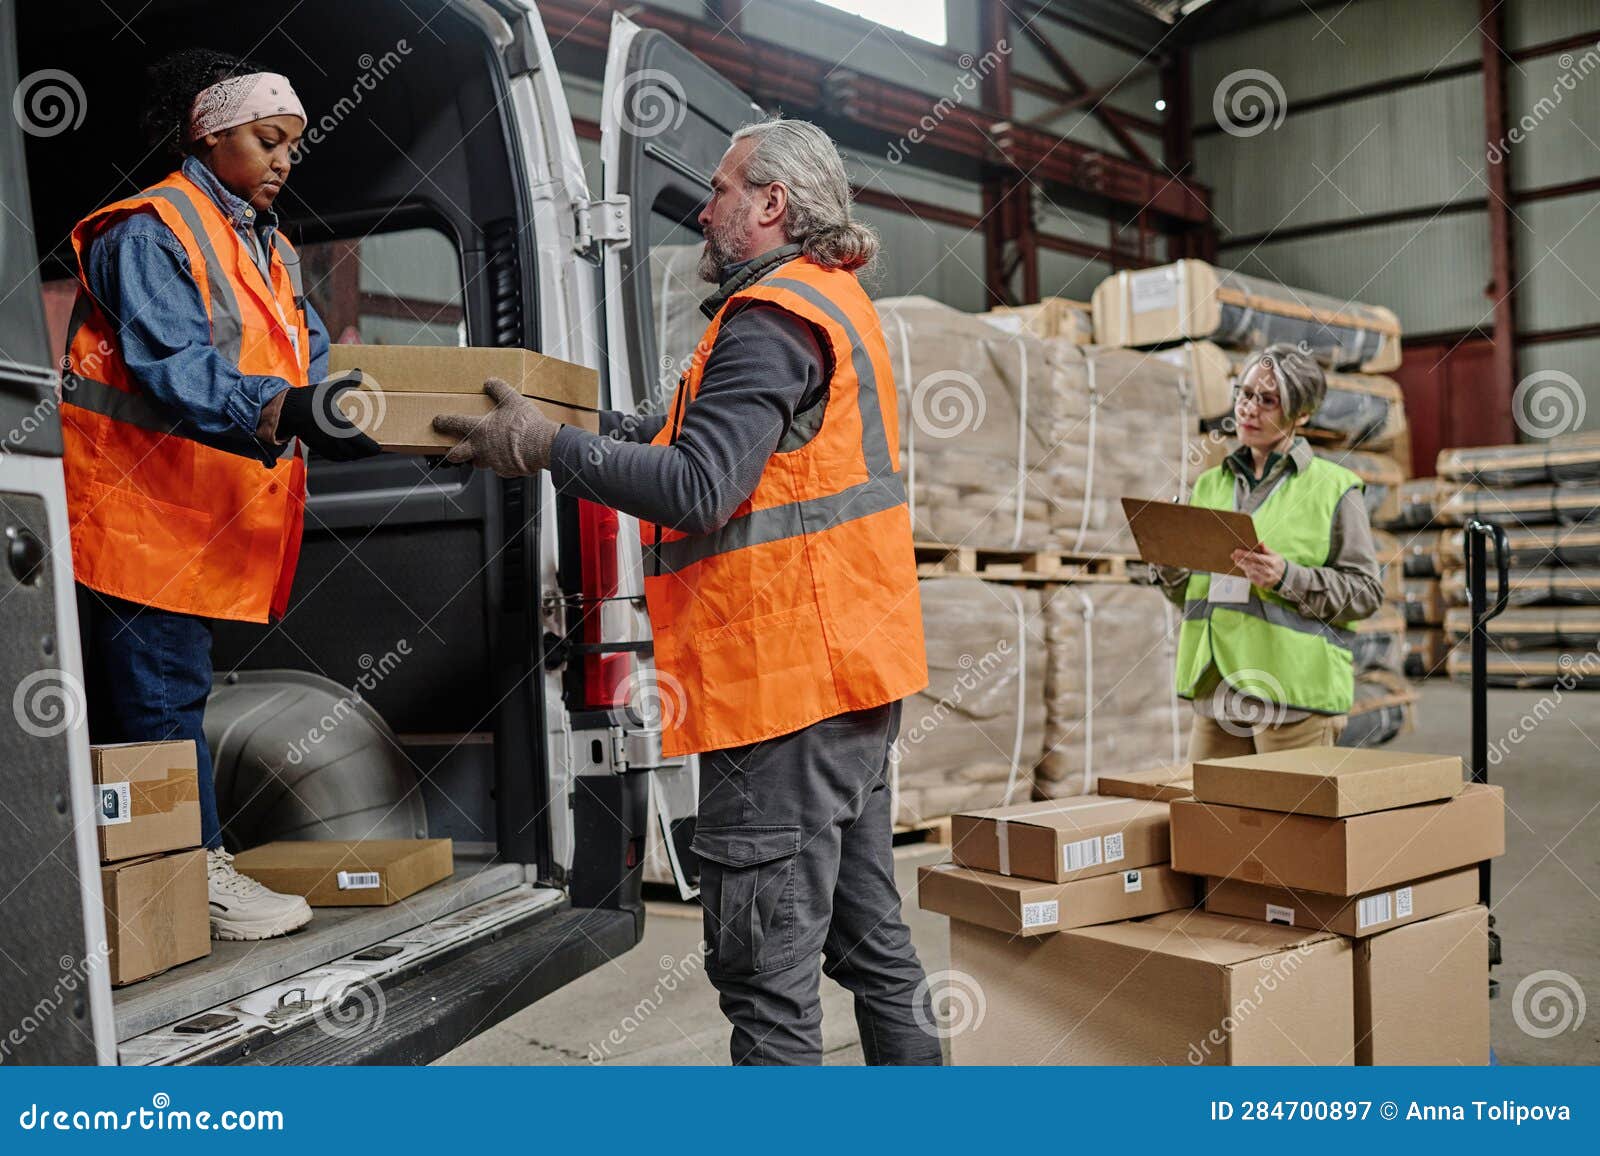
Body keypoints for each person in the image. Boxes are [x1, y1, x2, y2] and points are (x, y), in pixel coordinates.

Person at [434, 117, 940, 1065]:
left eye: (720, 190)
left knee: (767, 984)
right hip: (851, 679)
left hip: (781, 693)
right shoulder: (825, 299)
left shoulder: (768, 323)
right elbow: (700, 439)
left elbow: (701, 487)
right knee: (876, 952)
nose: (704, 211)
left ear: (771, 204)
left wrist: (550, 450)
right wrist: (587, 425)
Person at [64, 49, 381, 940]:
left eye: (293, 146)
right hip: (134, 515)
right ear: (209, 134)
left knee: (168, 697)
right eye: (268, 140)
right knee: (157, 708)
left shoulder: (267, 248)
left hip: (193, 517)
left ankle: (167, 870)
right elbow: (175, 369)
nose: (286, 159)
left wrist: (387, 420)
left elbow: (309, 366)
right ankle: (188, 872)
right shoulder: (151, 229)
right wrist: (283, 407)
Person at [1157, 343, 1384, 758]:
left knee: (1292, 822)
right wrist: (1167, 561)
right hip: (1217, 686)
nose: (1248, 409)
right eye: (1245, 395)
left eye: (1267, 400)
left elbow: (1366, 594)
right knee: (1207, 818)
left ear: (1301, 414)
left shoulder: (1335, 488)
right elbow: (1189, 596)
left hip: (1293, 696)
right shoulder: (1210, 485)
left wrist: (1287, 578)